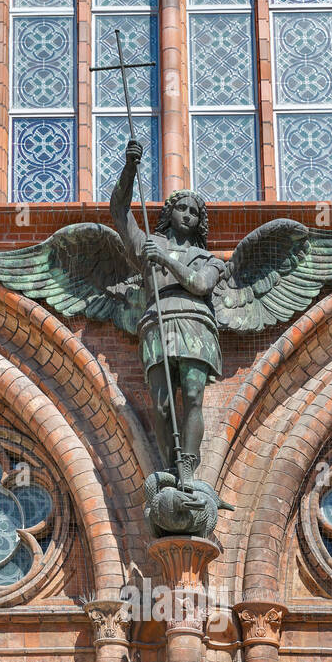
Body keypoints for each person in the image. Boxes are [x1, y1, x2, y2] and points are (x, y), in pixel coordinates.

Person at [110, 140, 226, 488]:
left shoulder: (210, 261)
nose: (188, 215)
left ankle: (189, 465)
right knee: (161, 404)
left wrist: (166, 261)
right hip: (157, 323)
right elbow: (119, 211)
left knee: (192, 396)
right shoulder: (148, 245)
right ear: (169, 213)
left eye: (194, 212)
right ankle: (170, 465)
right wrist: (130, 167)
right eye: (182, 209)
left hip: (195, 323)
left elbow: (200, 285)